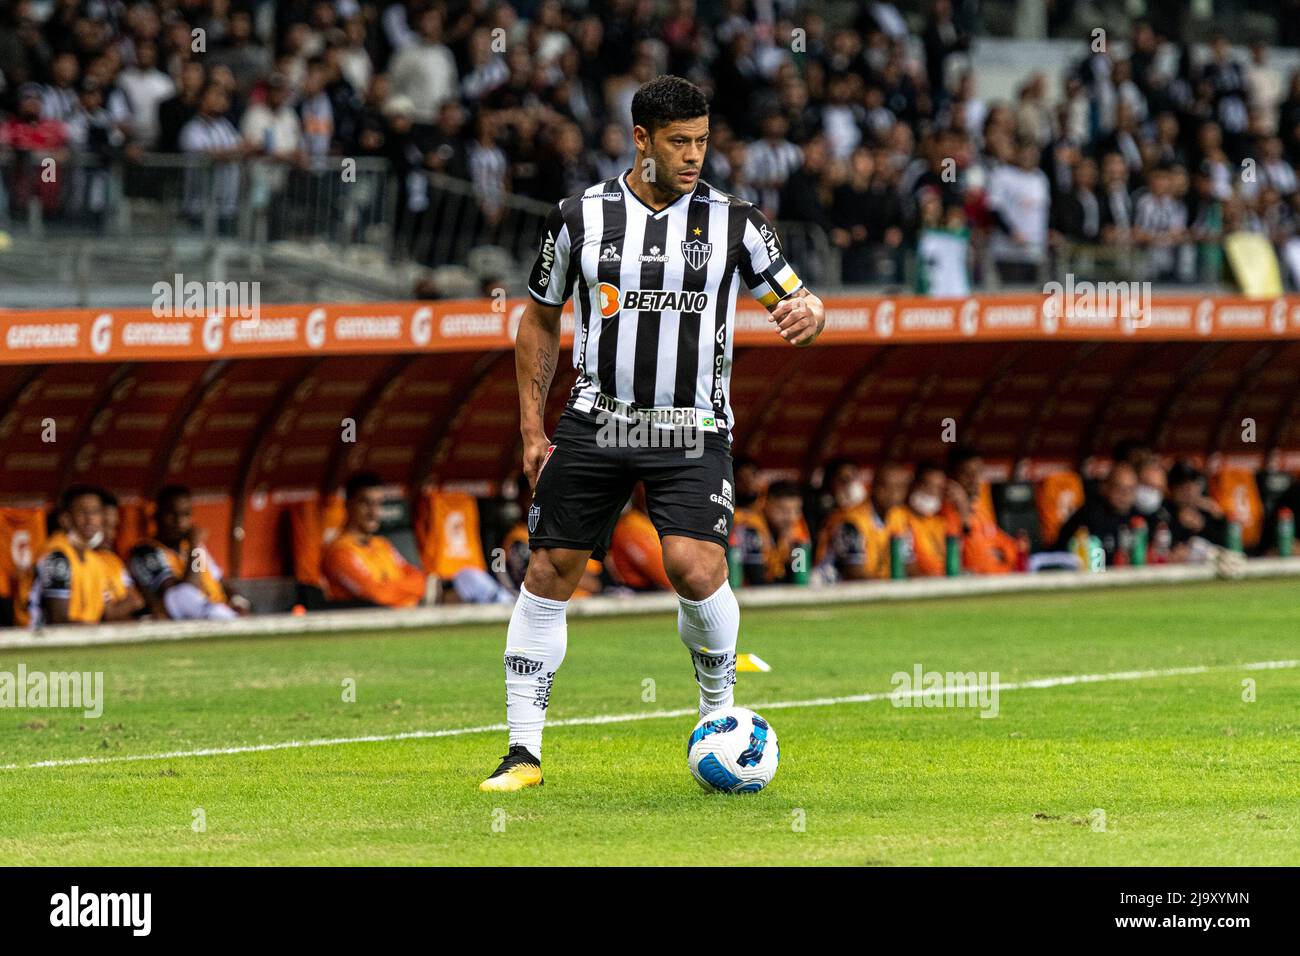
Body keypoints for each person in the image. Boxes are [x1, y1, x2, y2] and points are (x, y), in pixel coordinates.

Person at [481, 74, 825, 792]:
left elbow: (795, 297)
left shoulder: (737, 222)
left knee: (695, 567)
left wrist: (810, 314)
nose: (694, 155)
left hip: (692, 426)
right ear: (641, 140)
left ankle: (719, 717)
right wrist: (530, 429)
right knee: (548, 573)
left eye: (701, 140)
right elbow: (539, 318)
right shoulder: (579, 216)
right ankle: (523, 754)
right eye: (679, 143)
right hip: (597, 420)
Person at [128, 485, 249, 620]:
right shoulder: (146, 551)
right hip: (190, 618)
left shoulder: (192, 547)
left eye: (185, 514)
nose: (179, 522)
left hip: (218, 609)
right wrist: (194, 546)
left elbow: (220, 581)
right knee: (183, 595)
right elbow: (184, 593)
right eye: (171, 514)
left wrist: (237, 601)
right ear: (157, 516)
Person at [32, 486, 141, 626]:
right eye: (82, 512)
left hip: (83, 639)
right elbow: (58, 620)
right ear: (65, 519)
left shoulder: (95, 560)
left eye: (95, 512)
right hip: (40, 641)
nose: (90, 519)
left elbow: (107, 613)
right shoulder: (56, 556)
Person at [322, 472, 428, 608]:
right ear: (348, 505)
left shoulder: (383, 544)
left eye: (378, 504)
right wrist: (405, 593)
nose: (373, 512)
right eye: (366, 503)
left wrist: (387, 588)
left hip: (403, 620)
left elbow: (420, 582)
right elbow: (375, 595)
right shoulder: (339, 553)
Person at [816, 462, 909, 581]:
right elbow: (854, 573)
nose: (895, 493)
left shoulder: (900, 517)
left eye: (901, 486)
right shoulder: (851, 521)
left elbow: (908, 564)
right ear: (874, 486)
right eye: (888, 486)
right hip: (830, 587)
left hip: (876, 586)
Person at [1055, 462, 1139, 565]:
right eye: (1119, 488)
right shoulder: (1090, 515)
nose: (1125, 495)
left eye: (1131, 489)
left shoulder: (1137, 516)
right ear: (1105, 488)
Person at [732, 480, 810, 585]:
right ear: (765, 504)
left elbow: (800, 584)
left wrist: (791, 554)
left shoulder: (794, 532)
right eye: (783, 510)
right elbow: (755, 581)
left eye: (796, 510)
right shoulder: (750, 528)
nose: (791, 518)